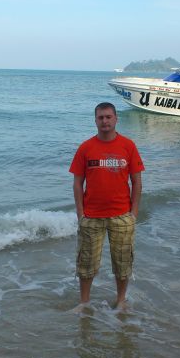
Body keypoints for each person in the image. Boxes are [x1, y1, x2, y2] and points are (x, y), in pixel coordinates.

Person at [69, 102, 145, 310]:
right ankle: (84, 303)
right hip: (91, 216)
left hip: (122, 215)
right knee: (86, 264)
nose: (105, 121)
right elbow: (77, 183)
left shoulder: (128, 146)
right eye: (101, 117)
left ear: (116, 119)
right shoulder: (86, 147)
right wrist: (80, 214)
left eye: (108, 117)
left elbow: (137, 182)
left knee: (122, 263)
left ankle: (120, 300)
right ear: (95, 120)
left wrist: (133, 214)